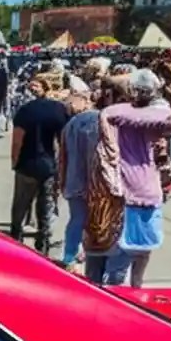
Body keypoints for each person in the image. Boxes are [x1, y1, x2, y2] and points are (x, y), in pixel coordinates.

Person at [87, 69, 171, 288]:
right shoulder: (142, 116)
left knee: (110, 260)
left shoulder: (110, 115)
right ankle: (129, 293)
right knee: (131, 258)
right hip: (138, 193)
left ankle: (110, 298)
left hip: (115, 193)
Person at [9, 78, 69, 254]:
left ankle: (16, 237)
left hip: (27, 164)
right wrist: (62, 164)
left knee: (20, 204)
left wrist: (14, 161)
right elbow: (63, 140)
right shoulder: (58, 110)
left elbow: (17, 140)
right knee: (45, 204)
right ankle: (43, 241)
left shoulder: (25, 111)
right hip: (48, 165)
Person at [57, 92, 100, 268]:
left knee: (76, 219)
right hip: (95, 182)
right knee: (95, 221)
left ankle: (70, 255)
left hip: (73, 180)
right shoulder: (98, 120)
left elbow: (62, 156)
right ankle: (88, 254)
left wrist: (62, 179)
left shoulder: (69, 126)